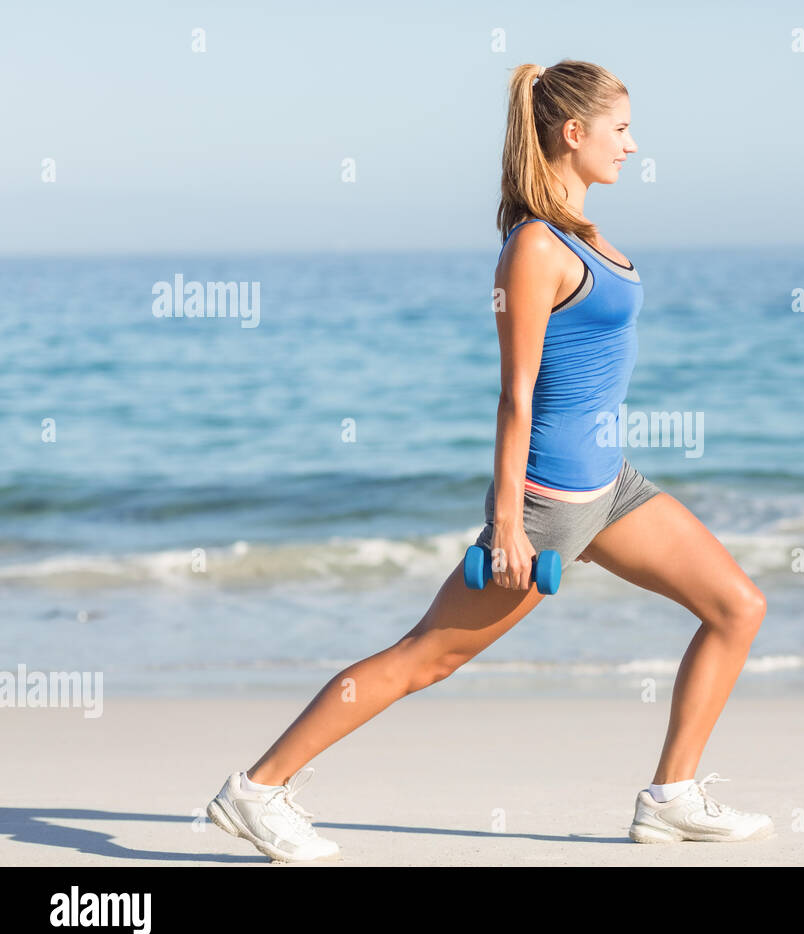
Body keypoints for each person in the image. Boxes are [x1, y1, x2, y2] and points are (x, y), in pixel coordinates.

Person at [205, 59, 772, 862]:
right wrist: (506, 525)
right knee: (424, 658)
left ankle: (670, 797)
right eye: (620, 130)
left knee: (736, 607)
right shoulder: (534, 249)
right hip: (549, 505)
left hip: (612, 486)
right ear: (573, 134)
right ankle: (257, 790)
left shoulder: (586, 232)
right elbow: (517, 395)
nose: (633, 146)